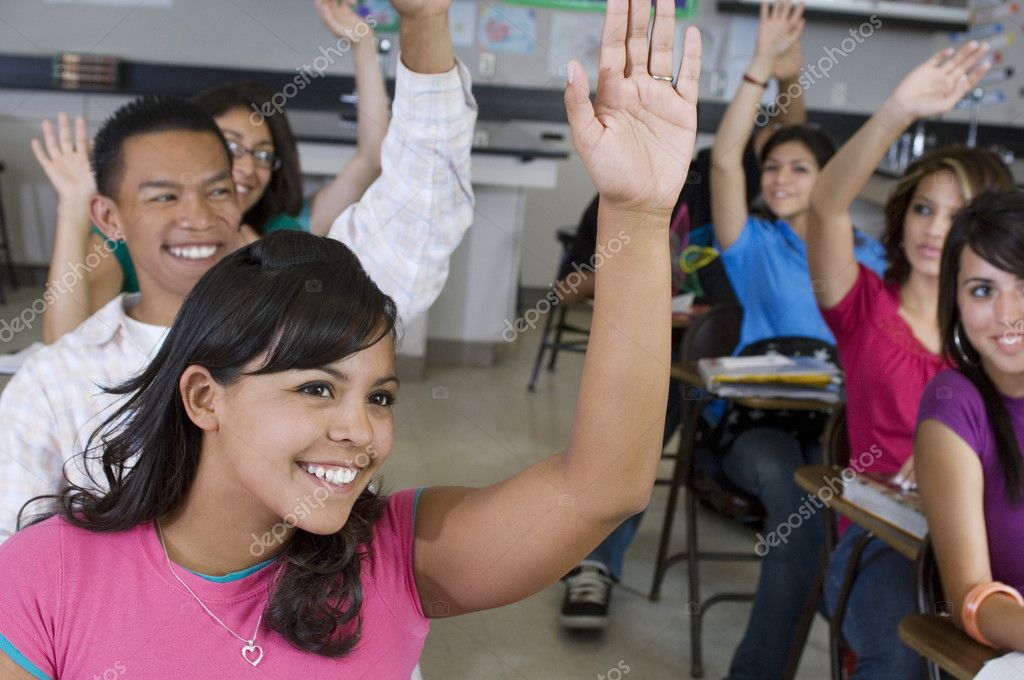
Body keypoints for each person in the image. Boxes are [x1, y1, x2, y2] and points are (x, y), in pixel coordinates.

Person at [0, 1, 704, 674]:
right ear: (203, 397)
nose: (361, 430)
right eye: (316, 388)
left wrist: (637, 216)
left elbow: (601, 488)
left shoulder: (391, 554)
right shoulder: (46, 572)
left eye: (381, 397)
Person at [0, 0, 476, 541]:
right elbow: (15, 565)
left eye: (219, 189)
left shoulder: (309, 311)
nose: (199, 217)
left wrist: (424, 24)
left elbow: (417, 213)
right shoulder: (57, 380)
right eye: (165, 195)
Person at [559, 2, 831, 643]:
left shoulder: (757, 197)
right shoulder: (647, 177)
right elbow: (567, 287)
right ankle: (594, 563)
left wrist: (785, 74)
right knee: (636, 430)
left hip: (759, 368)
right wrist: (636, 267)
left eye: (786, 165)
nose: (781, 174)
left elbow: (798, 145)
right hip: (675, 353)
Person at [807, 42, 1012, 678]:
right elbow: (824, 207)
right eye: (924, 208)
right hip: (886, 545)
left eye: (956, 217)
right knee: (900, 657)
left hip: (994, 550)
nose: (934, 230)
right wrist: (900, 108)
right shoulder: (863, 304)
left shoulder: (999, 332)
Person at [35, 0, 389, 343]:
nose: (248, 167)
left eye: (264, 155)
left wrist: (362, 42)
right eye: (231, 148)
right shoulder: (134, 230)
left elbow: (371, 157)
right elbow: (65, 341)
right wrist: (72, 208)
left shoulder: (281, 233)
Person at [915, 189, 1024, 652]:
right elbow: (970, 598)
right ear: (955, 302)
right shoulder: (954, 403)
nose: (1007, 315)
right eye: (983, 290)